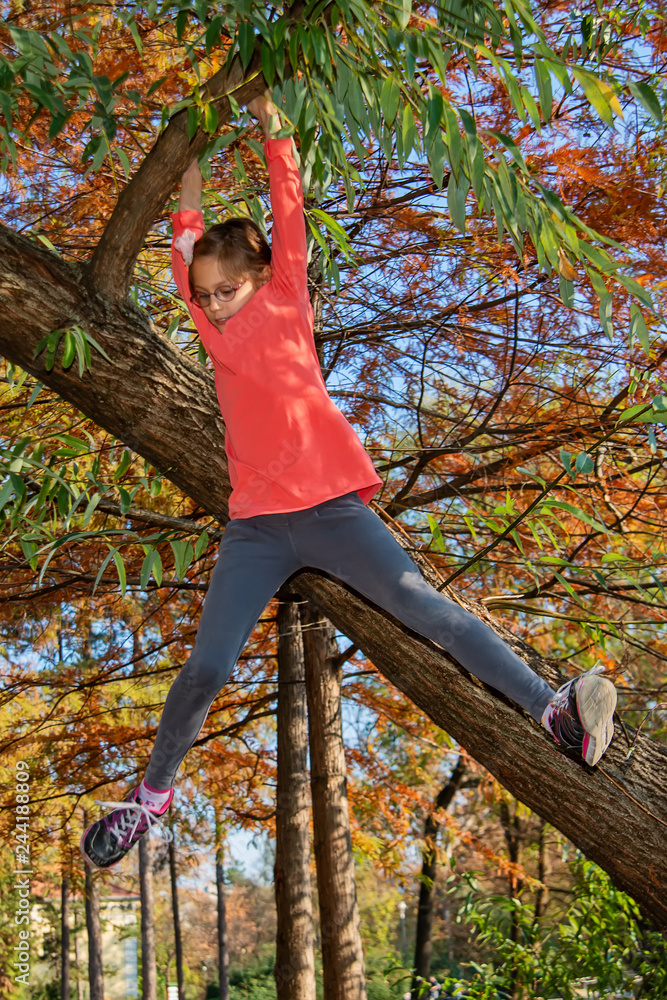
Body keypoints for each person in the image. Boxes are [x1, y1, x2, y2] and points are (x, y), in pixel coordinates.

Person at [80, 94, 617, 871]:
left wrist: (271, 115)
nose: (212, 307)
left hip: (332, 511)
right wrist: (189, 147)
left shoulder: (287, 296)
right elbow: (184, 236)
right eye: (202, 297)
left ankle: (551, 710)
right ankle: (149, 801)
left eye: (225, 291)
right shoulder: (207, 320)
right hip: (256, 528)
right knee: (204, 668)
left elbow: (286, 201)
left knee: (427, 609)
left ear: (261, 275)